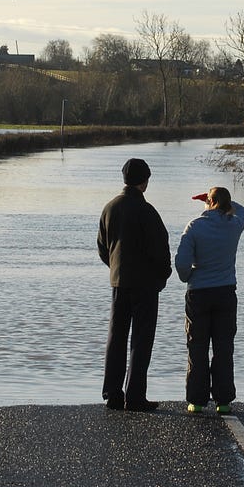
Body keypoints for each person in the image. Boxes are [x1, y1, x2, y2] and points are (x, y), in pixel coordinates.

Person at [97, 158, 172, 412]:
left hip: (119, 281)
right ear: (145, 181)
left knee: (116, 336)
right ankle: (135, 395)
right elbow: (161, 249)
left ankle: (113, 393)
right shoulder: (147, 211)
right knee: (141, 339)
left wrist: (116, 269)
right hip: (145, 284)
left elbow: (102, 247)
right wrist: (163, 276)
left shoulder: (109, 208)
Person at [174, 186, 244, 415]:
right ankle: (223, 400)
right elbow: (241, 210)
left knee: (197, 346)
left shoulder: (195, 226)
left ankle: (196, 400)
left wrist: (189, 276)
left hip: (199, 294)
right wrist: (219, 202)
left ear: (209, 202)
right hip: (226, 292)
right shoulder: (235, 225)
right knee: (223, 347)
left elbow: (182, 263)